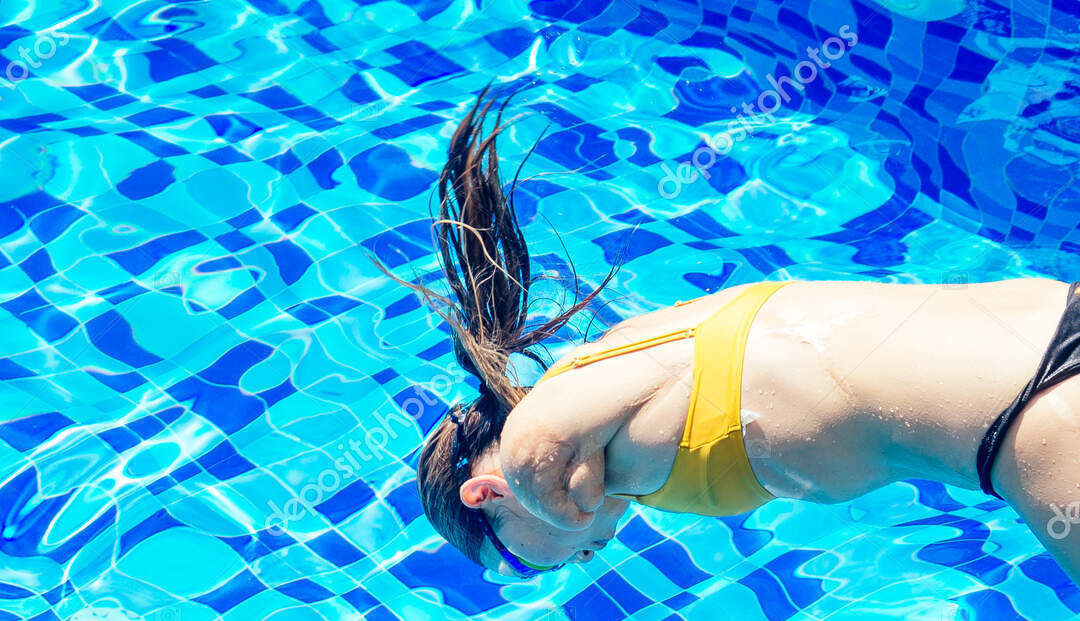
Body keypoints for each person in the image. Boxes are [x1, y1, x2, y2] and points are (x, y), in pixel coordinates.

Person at [401, 90, 1080, 587]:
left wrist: (541, 488)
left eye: (519, 564)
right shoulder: (625, 366)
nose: (568, 566)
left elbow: (537, 456)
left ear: (485, 495)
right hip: (1050, 329)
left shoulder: (544, 432)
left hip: (1034, 422)